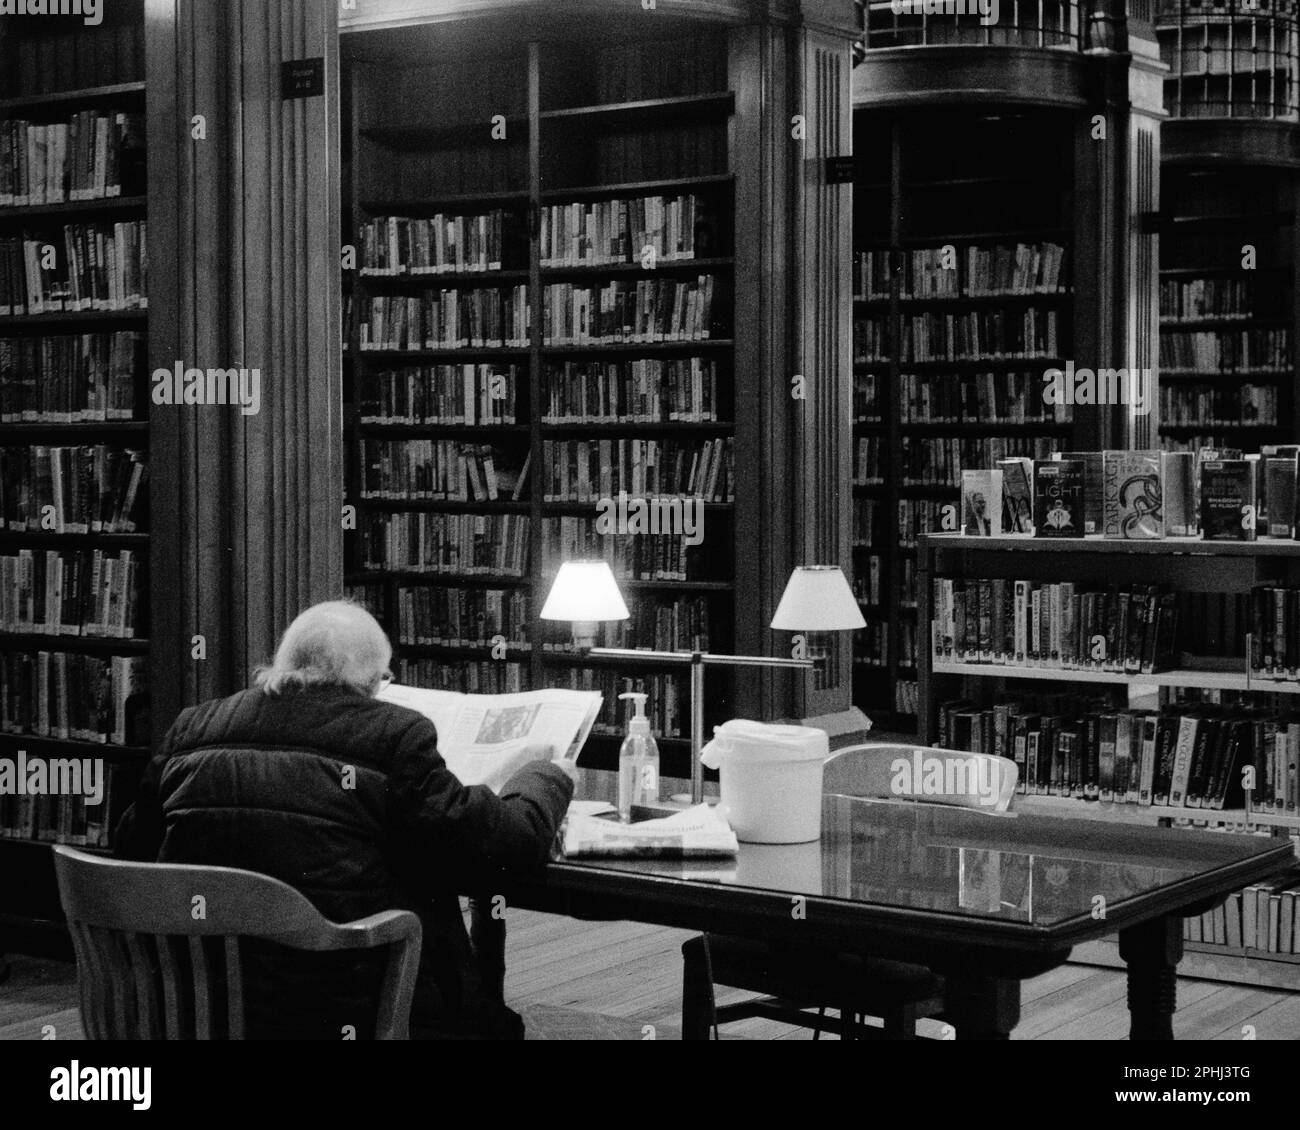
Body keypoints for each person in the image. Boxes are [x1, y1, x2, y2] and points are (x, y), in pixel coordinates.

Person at [113, 600, 573, 1040]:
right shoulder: (394, 736)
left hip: (196, 1012)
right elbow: (508, 847)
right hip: (351, 1012)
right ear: (372, 680)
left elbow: (130, 852)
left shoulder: (193, 729)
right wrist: (545, 774)